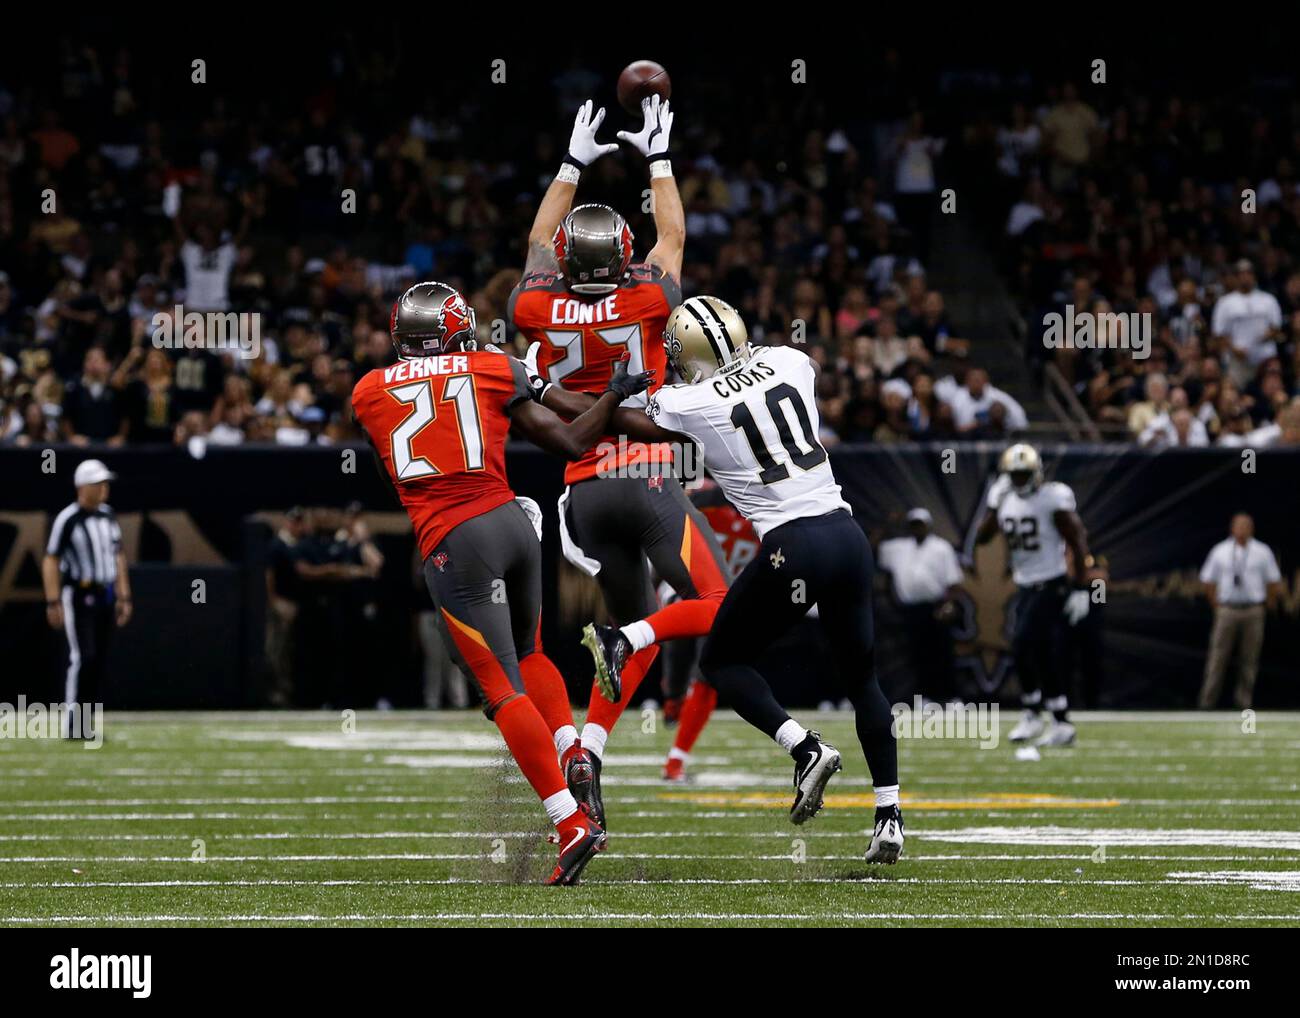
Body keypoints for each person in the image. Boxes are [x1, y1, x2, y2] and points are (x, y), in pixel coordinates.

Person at [537, 296, 904, 864]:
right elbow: (788, 378)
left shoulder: (690, 400)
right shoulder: (790, 361)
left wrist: (580, 389)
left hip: (792, 545)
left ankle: (803, 747)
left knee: (722, 663)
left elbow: (612, 421)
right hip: (848, 536)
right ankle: (889, 815)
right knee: (864, 679)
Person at [351, 280, 653, 885]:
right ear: (456, 331)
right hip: (514, 522)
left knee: (498, 686)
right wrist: (616, 391)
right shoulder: (493, 366)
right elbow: (570, 437)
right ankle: (572, 752)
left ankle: (570, 821)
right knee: (532, 652)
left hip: (455, 540)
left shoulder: (367, 390)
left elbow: (398, 475)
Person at [510, 97, 729, 827]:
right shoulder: (647, 295)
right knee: (708, 605)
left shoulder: (537, 306)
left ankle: (589, 751)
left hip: (580, 493)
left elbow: (539, 243)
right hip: (644, 471)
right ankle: (795, 740)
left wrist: (571, 164)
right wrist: (658, 157)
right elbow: (673, 232)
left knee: (630, 634)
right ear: (622, 257)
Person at [974, 444, 1093, 747]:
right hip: (1026, 585)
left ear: (1036, 472)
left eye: (1023, 474)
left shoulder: (1052, 498)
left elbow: (1078, 541)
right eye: (1014, 475)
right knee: (1040, 653)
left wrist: (1081, 587)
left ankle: (1031, 713)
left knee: (1021, 643)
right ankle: (1060, 721)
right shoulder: (1005, 498)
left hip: (1052, 583)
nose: (1018, 480)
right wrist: (993, 504)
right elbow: (983, 537)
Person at [42, 459, 132, 740]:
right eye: (98, 483)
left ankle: (87, 722)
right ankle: (73, 724)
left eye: (105, 483)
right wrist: (53, 601)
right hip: (78, 594)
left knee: (99, 659)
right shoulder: (67, 518)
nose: (104, 488)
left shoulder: (108, 516)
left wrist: (123, 595)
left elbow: (118, 556)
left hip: (104, 593)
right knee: (83, 656)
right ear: (82, 487)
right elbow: (51, 559)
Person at [877, 508, 964, 703]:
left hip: (936, 608)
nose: (917, 528)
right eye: (913, 525)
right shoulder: (899, 548)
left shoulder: (941, 548)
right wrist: (888, 524)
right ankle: (925, 698)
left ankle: (951, 697)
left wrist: (949, 604)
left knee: (942, 653)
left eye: (920, 524)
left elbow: (954, 581)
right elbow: (873, 547)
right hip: (910, 610)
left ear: (928, 526)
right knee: (918, 655)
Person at [1198, 513, 1282, 709]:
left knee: (1249, 659)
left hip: (1253, 610)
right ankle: (1207, 703)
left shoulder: (1262, 551)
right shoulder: (1220, 550)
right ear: (1232, 528)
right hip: (1227, 609)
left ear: (1252, 528)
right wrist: (1216, 605)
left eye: (1246, 525)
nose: (1242, 529)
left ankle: (1244, 703)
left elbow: (1273, 581)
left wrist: (1266, 604)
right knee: (1218, 657)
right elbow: (1208, 580)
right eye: (1239, 525)